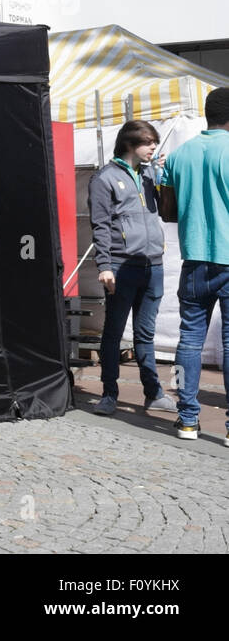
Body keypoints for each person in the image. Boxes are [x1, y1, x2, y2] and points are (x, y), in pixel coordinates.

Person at [87, 120, 177, 416]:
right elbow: (100, 225)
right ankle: (108, 393)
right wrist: (104, 265)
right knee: (113, 331)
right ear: (129, 143)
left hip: (153, 264)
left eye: (154, 142)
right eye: (148, 142)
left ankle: (153, 393)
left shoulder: (150, 174)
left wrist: (163, 178)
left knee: (145, 333)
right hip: (121, 264)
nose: (154, 147)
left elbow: (165, 212)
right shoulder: (105, 179)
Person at [159, 86, 229, 442]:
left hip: (194, 260)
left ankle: (187, 419)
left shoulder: (178, 155)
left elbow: (167, 213)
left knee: (188, 342)